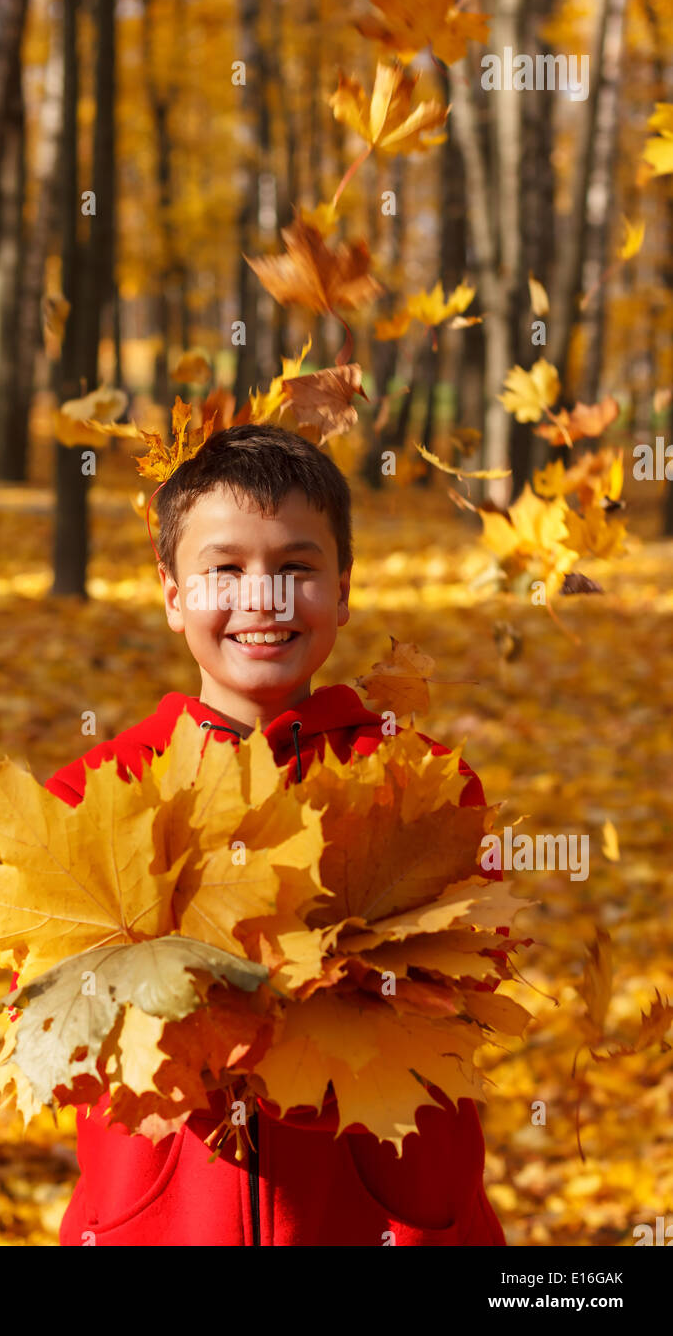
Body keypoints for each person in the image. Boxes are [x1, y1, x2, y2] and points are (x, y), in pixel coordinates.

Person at [38, 422, 507, 1246]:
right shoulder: (92, 798)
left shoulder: (420, 786)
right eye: (225, 569)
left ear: (345, 589)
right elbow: (61, 1037)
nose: (266, 599)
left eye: (297, 568)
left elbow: (469, 977)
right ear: (172, 592)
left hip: (388, 1219)